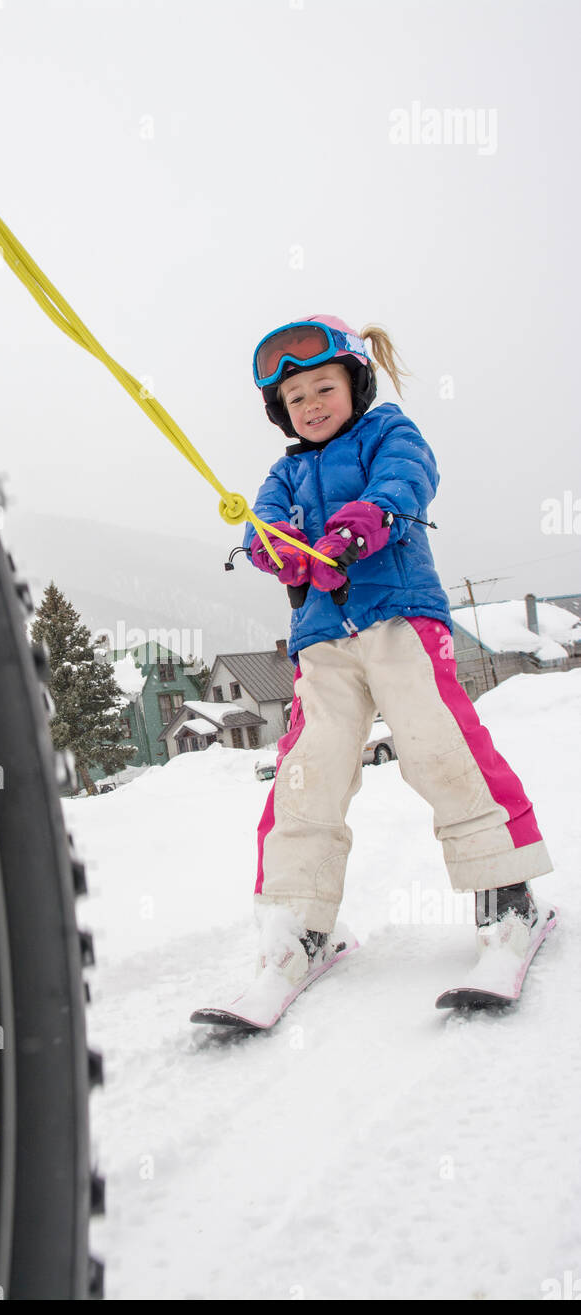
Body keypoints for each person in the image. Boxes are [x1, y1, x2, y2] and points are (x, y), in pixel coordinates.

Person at [237, 314, 552, 1000]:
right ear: (281, 413)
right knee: (308, 772)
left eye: (324, 387)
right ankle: (299, 927)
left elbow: (406, 482)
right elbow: (259, 525)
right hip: (321, 641)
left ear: (355, 382)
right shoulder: (284, 470)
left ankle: (508, 897)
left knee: (438, 747)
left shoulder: (389, 433)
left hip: (401, 618)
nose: (312, 405)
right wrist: (276, 543)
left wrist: (366, 521)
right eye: (296, 400)